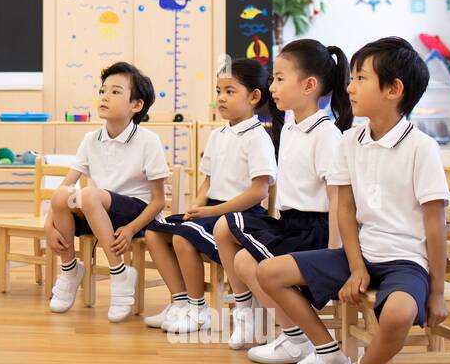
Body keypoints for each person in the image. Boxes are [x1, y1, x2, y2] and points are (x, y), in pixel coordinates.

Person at [259, 37, 449, 364]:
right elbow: (344, 209)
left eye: (361, 78)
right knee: (269, 272)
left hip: (405, 261)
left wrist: (437, 292)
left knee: (397, 314)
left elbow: (434, 226)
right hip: (360, 253)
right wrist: (356, 265)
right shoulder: (350, 140)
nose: (350, 87)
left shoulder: (422, 149)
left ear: (394, 90)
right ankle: (328, 354)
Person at [213, 39, 351, 354]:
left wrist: (333, 252)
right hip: (289, 225)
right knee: (238, 249)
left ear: (309, 85)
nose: (272, 86)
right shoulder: (289, 128)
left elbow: (337, 199)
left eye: (279, 78)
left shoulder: (326, 135)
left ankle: (297, 339)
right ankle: (290, 336)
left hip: (314, 231)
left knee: (242, 248)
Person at [142, 57, 279, 335]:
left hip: (240, 217)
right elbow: (208, 181)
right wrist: (196, 206)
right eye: (219, 91)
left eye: (230, 91)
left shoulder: (258, 137)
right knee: (155, 233)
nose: (221, 98)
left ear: (254, 96)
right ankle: (180, 302)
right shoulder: (218, 135)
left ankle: (198, 308)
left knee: (182, 236)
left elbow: (259, 191)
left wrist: (211, 212)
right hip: (213, 212)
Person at [45, 62, 170, 322]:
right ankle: (70, 270)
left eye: (115, 92)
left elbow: (159, 201)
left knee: (89, 194)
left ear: (136, 105)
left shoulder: (149, 141)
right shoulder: (91, 139)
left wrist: (132, 228)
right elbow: (65, 186)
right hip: (97, 212)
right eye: (103, 90)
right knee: (62, 195)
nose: (104, 96)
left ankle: (119, 272)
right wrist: (49, 224)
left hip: (136, 214)